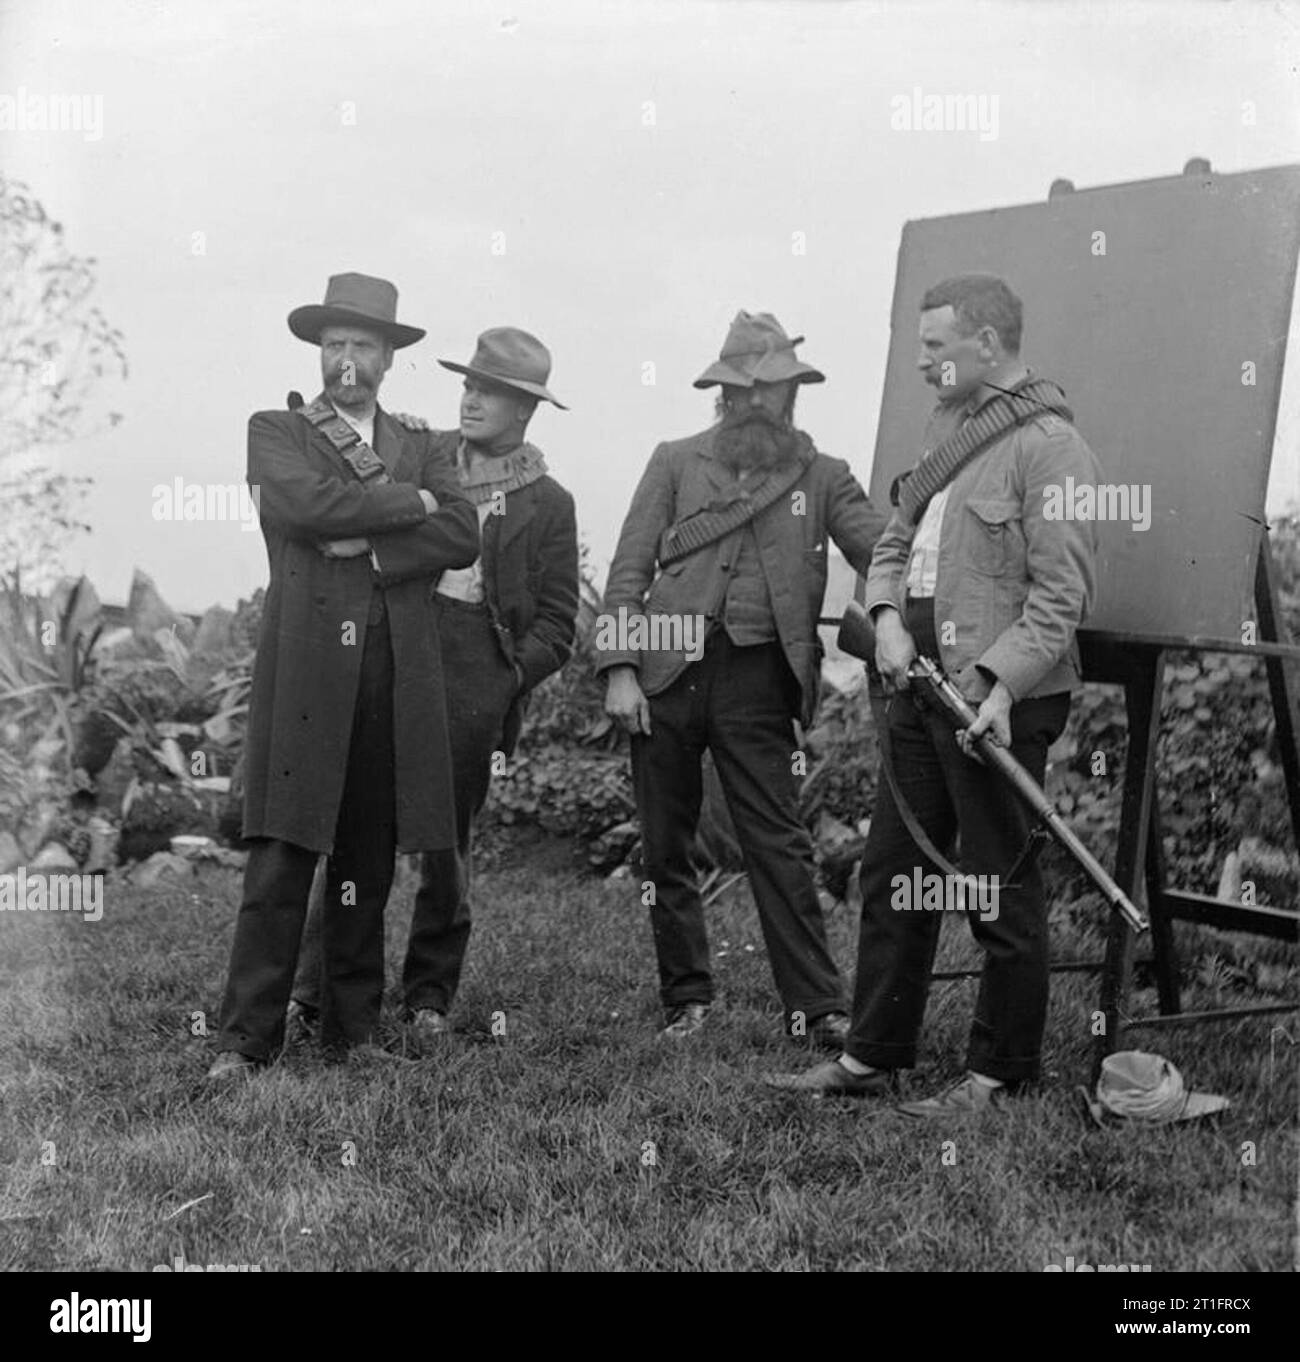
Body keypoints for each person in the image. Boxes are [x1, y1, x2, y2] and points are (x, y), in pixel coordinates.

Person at [767, 274, 1102, 1116]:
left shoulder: (1053, 448)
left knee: (997, 884)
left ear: (986, 345)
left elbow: (1062, 597)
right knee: (894, 874)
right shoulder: (948, 430)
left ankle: (998, 1077)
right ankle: (872, 1054)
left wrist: (994, 684)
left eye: (936, 347)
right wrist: (883, 617)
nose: (921, 362)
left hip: (996, 703)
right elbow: (893, 544)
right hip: (916, 688)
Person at [206, 272, 478, 1080]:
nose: (345, 359)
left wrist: (373, 542)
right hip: (307, 666)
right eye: (333, 344)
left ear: (389, 357)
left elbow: (461, 533)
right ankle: (245, 1039)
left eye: (361, 344)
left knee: (370, 852)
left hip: (393, 668)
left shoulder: (426, 443)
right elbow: (302, 507)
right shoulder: (278, 430)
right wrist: (412, 506)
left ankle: (351, 1032)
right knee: (283, 851)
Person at [599, 311, 886, 1044]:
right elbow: (628, 570)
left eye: (775, 390)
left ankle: (817, 1008)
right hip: (664, 670)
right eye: (746, 390)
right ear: (722, 394)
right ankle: (687, 998)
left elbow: (882, 554)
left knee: (779, 842)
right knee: (666, 844)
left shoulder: (823, 477)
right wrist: (621, 670)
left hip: (760, 677)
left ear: (792, 394)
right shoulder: (674, 460)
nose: (760, 403)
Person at [288, 328, 579, 1048]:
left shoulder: (549, 500)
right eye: (468, 385)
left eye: (493, 392)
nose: (473, 399)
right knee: (360, 825)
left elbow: (559, 621)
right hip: (395, 650)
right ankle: (315, 992)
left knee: (446, 842)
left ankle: (429, 997)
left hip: (475, 671)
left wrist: (505, 677)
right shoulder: (419, 450)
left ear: (526, 410)